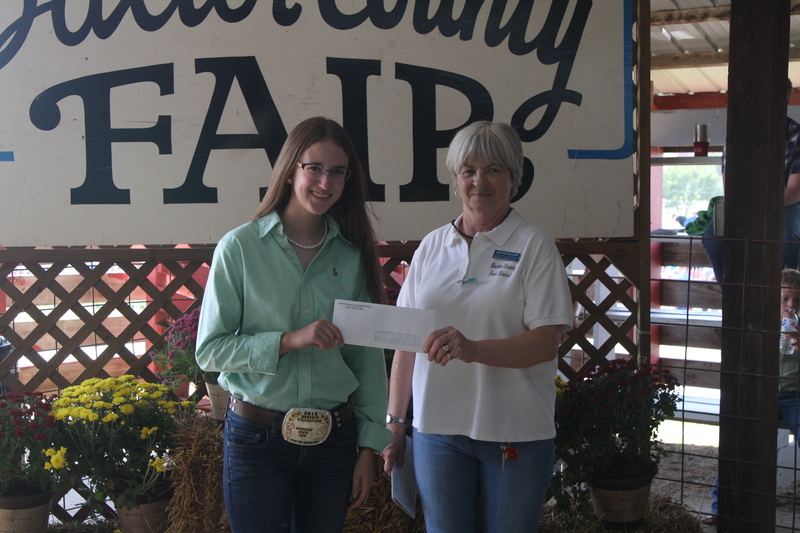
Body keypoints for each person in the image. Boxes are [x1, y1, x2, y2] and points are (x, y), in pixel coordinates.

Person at [196, 117, 392, 533]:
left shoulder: (353, 256)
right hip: (256, 441)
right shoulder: (240, 248)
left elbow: (366, 359)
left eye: (337, 172)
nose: (325, 182)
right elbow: (211, 350)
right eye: (314, 168)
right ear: (289, 170)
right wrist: (287, 341)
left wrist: (367, 450)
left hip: (335, 445)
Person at [380, 121, 573, 533]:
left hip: (515, 432)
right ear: (455, 179)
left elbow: (546, 343)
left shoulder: (534, 244)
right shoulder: (431, 246)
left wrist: (472, 349)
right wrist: (396, 422)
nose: (479, 181)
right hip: (436, 432)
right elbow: (405, 344)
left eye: (494, 170)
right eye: (468, 170)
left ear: (514, 180)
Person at [703, 268, 800, 526]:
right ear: (773, 300)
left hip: (794, 396)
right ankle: (721, 505)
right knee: (738, 439)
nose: (790, 306)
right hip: (761, 393)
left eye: (797, 301)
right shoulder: (761, 322)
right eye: (785, 299)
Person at [703, 78, 800, 283]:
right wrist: (747, 206)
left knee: (786, 234)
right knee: (713, 236)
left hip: (788, 204)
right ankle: (731, 294)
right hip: (745, 203)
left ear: (787, 97)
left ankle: (781, 296)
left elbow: (795, 189)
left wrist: (762, 207)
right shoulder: (736, 136)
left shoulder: (797, 135)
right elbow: (730, 184)